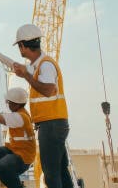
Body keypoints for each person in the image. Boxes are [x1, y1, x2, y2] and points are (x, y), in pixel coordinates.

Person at [11, 23, 73, 188]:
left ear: (23, 45)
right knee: (60, 170)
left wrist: (26, 76)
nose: (19, 49)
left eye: (19, 46)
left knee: (51, 174)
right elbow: (35, 77)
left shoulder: (45, 65)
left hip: (51, 124)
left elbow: (48, 89)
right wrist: (25, 73)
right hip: (54, 123)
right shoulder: (39, 65)